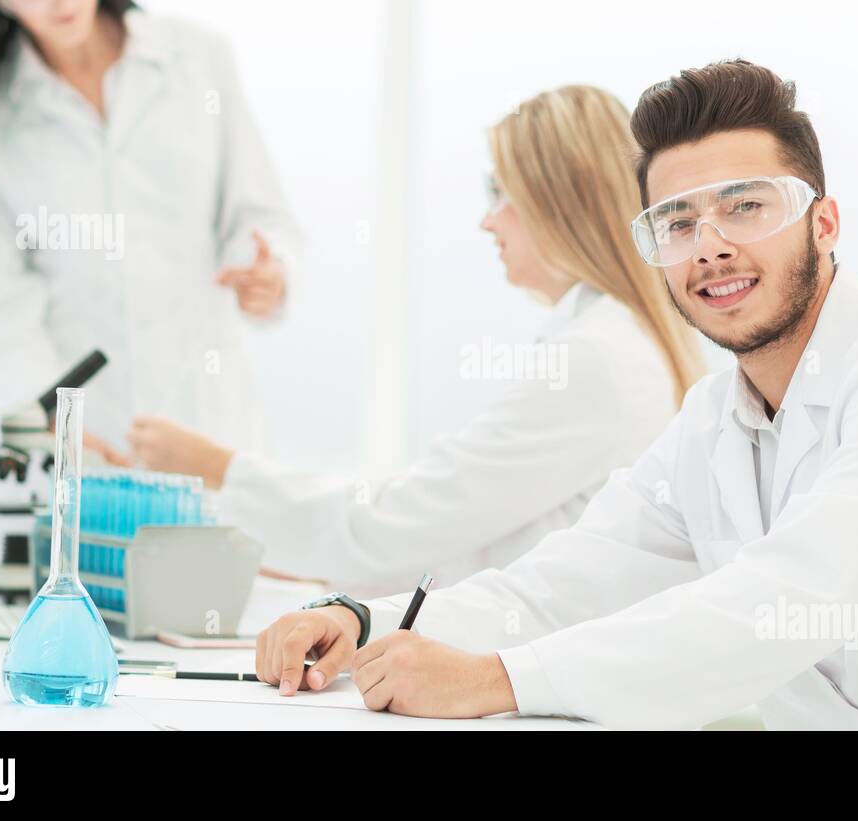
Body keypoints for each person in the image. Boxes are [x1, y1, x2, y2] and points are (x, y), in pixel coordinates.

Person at [251, 60, 858, 730]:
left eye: (746, 206)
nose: (709, 244)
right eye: (678, 222)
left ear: (825, 222)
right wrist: (362, 617)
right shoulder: (715, 425)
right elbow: (560, 585)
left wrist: (497, 679)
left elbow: (777, 604)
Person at [126, 86, 706, 590]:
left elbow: (394, 525)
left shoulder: (595, 359)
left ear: (561, 205)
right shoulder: (615, 341)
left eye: (501, 193)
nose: (487, 221)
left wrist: (219, 467)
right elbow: (463, 535)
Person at [0, 0, 297, 456]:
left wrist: (267, 276)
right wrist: (56, 428)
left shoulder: (198, 59)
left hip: (210, 429)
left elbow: (259, 217)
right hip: (91, 443)